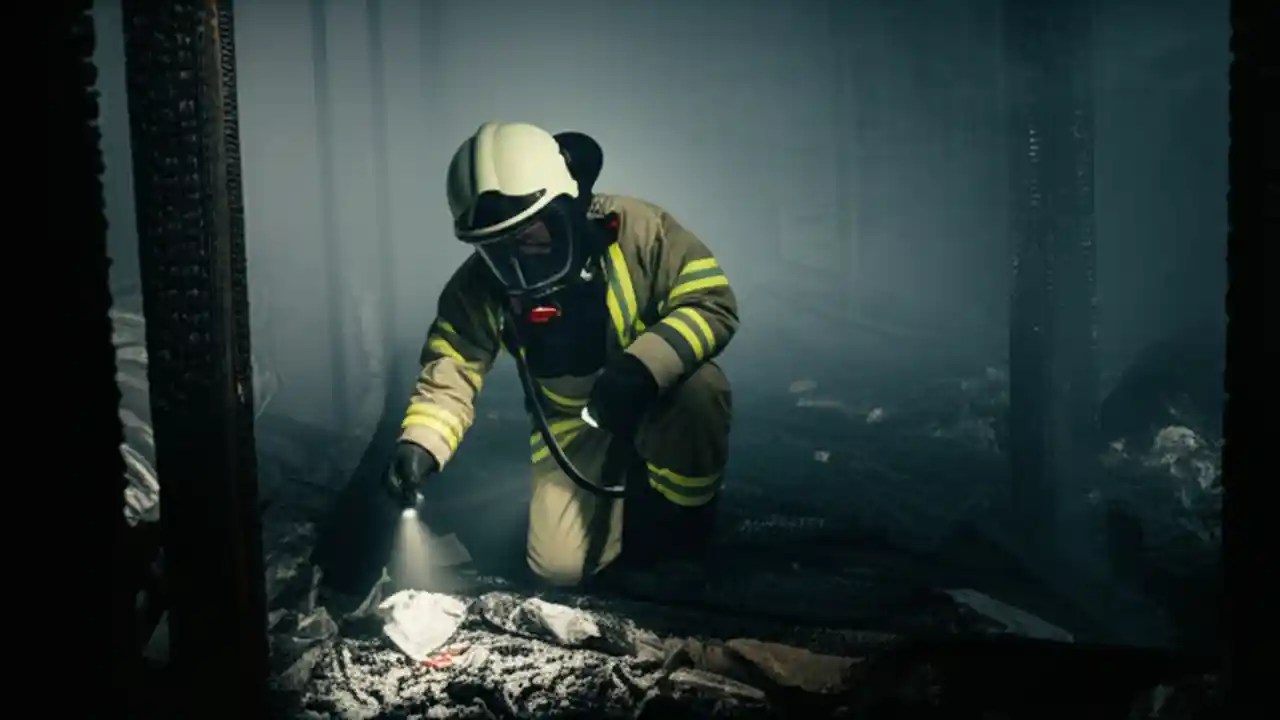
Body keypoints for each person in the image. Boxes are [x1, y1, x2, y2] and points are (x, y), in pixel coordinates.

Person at [383, 121, 739, 587]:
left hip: (655, 394)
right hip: (573, 423)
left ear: (569, 206)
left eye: (530, 234)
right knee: (559, 570)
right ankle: (623, 499)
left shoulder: (639, 231)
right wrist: (421, 443)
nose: (519, 258)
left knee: (700, 393)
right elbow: (451, 370)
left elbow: (711, 300)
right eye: (497, 245)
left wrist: (643, 368)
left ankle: (684, 528)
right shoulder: (477, 289)